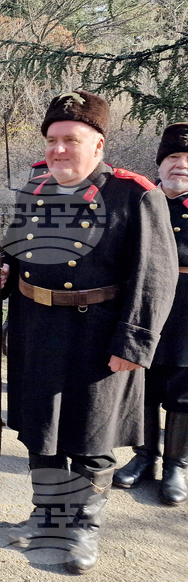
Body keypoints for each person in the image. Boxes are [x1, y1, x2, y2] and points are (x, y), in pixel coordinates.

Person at [0, 90, 178, 574]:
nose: (58, 150)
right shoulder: (31, 190)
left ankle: (84, 529)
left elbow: (155, 274)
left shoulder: (135, 194)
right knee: (41, 433)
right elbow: (12, 253)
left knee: (93, 439)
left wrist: (134, 342)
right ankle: (47, 517)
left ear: (98, 144)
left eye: (71, 140)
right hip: (36, 329)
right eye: (52, 139)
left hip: (100, 337)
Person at [112, 122, 188, 506]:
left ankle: (177, 464)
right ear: (160, 164)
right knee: (143, 383)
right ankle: (144, 457)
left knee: (183, 390)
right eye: (174, 157)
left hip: (187, 313)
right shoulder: (140, 202)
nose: (181, 165)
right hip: (143, 304)